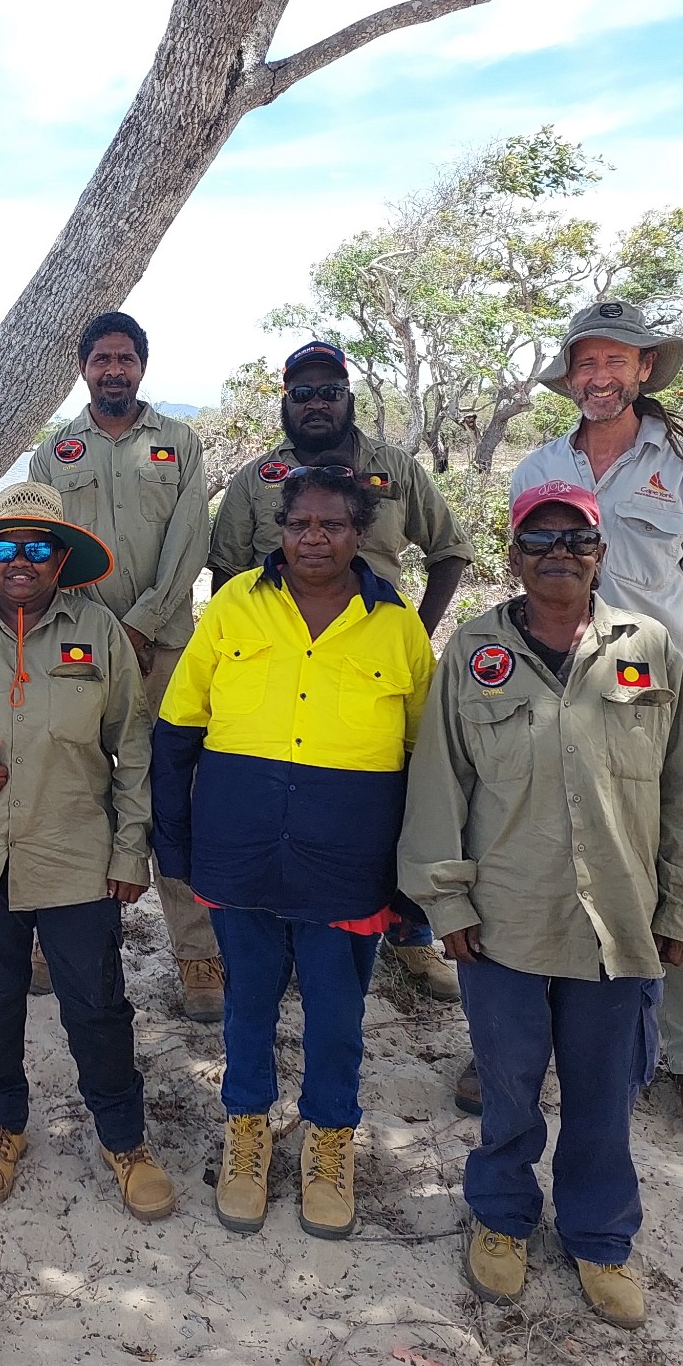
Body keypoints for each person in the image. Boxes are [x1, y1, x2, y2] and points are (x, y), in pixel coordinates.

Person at [399, 480, 683, 1331]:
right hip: (504, 919)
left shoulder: (649, 649)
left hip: (619, 921)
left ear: (600, 554)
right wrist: (448, 901)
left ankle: (599, 1235)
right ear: (512, 556)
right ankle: (502, 1218)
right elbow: (438, 785)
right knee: (506, 1087)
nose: (558, 555)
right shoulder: (471, 654)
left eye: (574, 540)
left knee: (601, 1094)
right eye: (538, 540)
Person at [154, 467, 435, 1239]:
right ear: (280, 529)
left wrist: (416, 877)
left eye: (334, 525)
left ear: (360, 533)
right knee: (246, 1008)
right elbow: (178, 730)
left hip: (347, 862)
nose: (316, 537)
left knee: (337, 1018)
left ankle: (329, 1141)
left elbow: (428, 757)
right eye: (301, 523)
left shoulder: (397, 626)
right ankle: (247, 1130)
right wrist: (173, 842)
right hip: (241, 851)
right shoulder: (234, 607)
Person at [0, 482, 175, 1223]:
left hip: (78, 857)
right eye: (7, 547)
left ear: (60, 560)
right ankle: (0, 1128)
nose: (21, 561)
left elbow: (133, 746)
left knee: (98, 1005)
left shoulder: (103, 634)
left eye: (38, 547)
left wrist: (129, 850)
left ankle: (124, 1139)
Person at [508, 300, 683, 1147]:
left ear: (645, 370)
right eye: (585, 363)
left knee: (674, 857)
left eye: (617, 362)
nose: (599, 377)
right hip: (544, 683)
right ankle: (525, 1048)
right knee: (536, 851)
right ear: (569, 375)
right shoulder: (537, 465)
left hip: (644, 695)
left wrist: (670, 690)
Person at [209, 340, 474, 1005]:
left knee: (403, 795)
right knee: (293, 798)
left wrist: (411, 629)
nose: (317, 403)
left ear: (349, 397)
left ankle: (409, 936)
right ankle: (294, 935)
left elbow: (449, 550)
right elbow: (225, 573)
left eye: (329, 390)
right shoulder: (254, 481)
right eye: (303, 393)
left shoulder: (393, 469)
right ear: (286, 403)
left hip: (377, 667)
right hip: (281, 669)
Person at [27, 311, 221, 1022]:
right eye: (102, 359)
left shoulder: (179, 442)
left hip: (166, 648)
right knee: (74, 784)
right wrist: (103, 633)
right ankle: (57, 940)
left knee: (173, 793)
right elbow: (42, 545)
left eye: (126, 358)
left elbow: (189, 538)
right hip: (77, 648)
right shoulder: (57, 453)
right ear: (83, 367)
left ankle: (197, 952)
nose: (115, 370)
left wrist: (138, 625)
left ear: (142, 366)